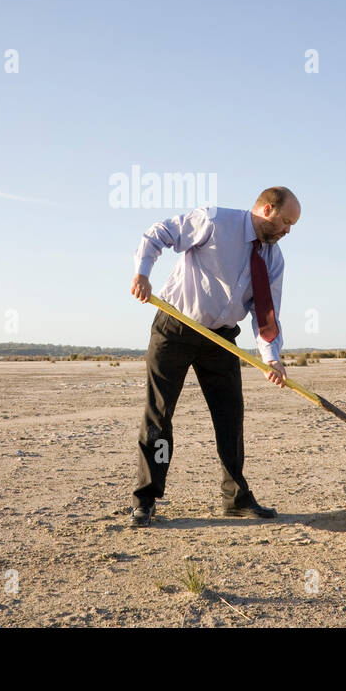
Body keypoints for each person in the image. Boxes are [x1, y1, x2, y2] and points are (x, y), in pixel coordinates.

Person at [127, 186, 301, 527]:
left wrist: (272, 358)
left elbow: (266, 315)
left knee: (230, 416)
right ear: (267, 209)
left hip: (221, 338)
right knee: (159, 416)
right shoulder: (215, 221)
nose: (288, 231)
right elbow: (159, 233)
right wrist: (142, 273)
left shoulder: (273, 259)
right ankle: (146, 499)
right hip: (174, 327)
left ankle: (236, 498)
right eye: (286, 222)